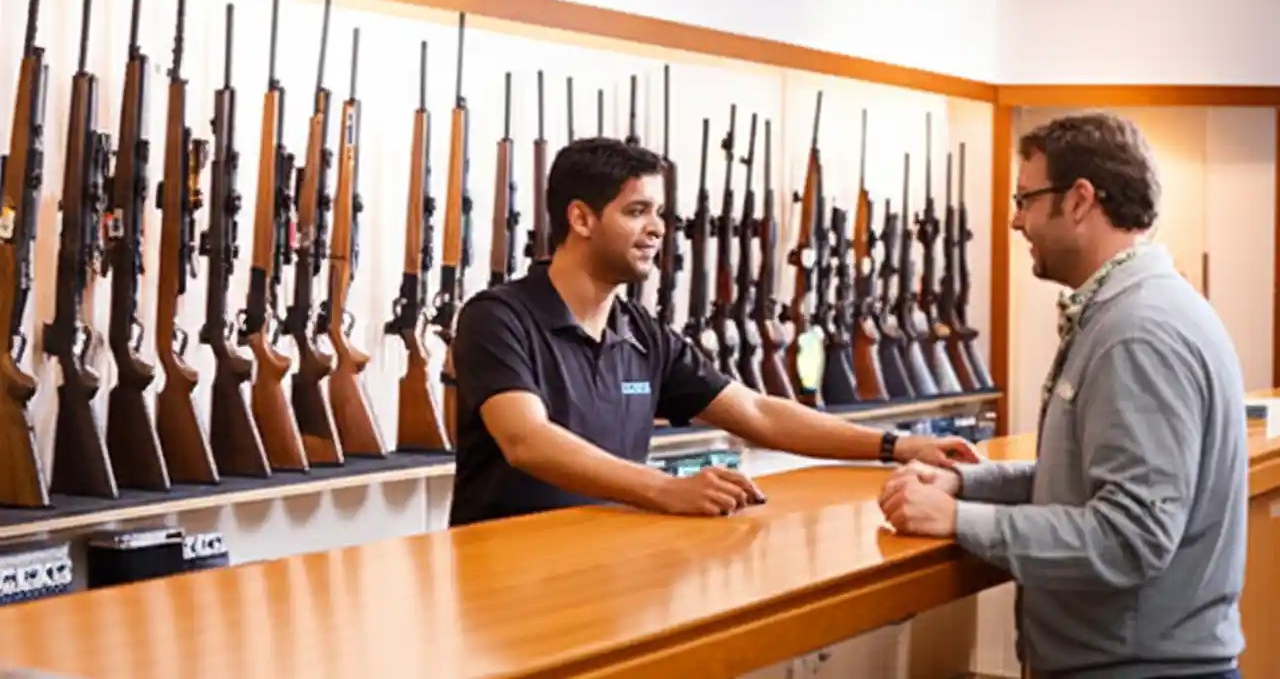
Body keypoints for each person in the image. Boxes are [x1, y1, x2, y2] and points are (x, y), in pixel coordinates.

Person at [878, 113, 1247, 678]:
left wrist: (956, 519)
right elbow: (1085, 486)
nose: (1015, 219)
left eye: (1026, 198)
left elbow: (1129, 536)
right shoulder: (1131, 314)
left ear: (1079, 200)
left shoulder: (1137, 333)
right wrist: (968, 483)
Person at [448, 137, 977, 527]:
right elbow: (527, 440)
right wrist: (665, 488)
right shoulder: (497, 318)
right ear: (581, 219)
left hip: (609, 561)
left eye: (659, 212)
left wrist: (896, 445)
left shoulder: (641, 334)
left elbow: (756, 411)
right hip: (505, 569)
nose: (657, 228)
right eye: (636, 212)